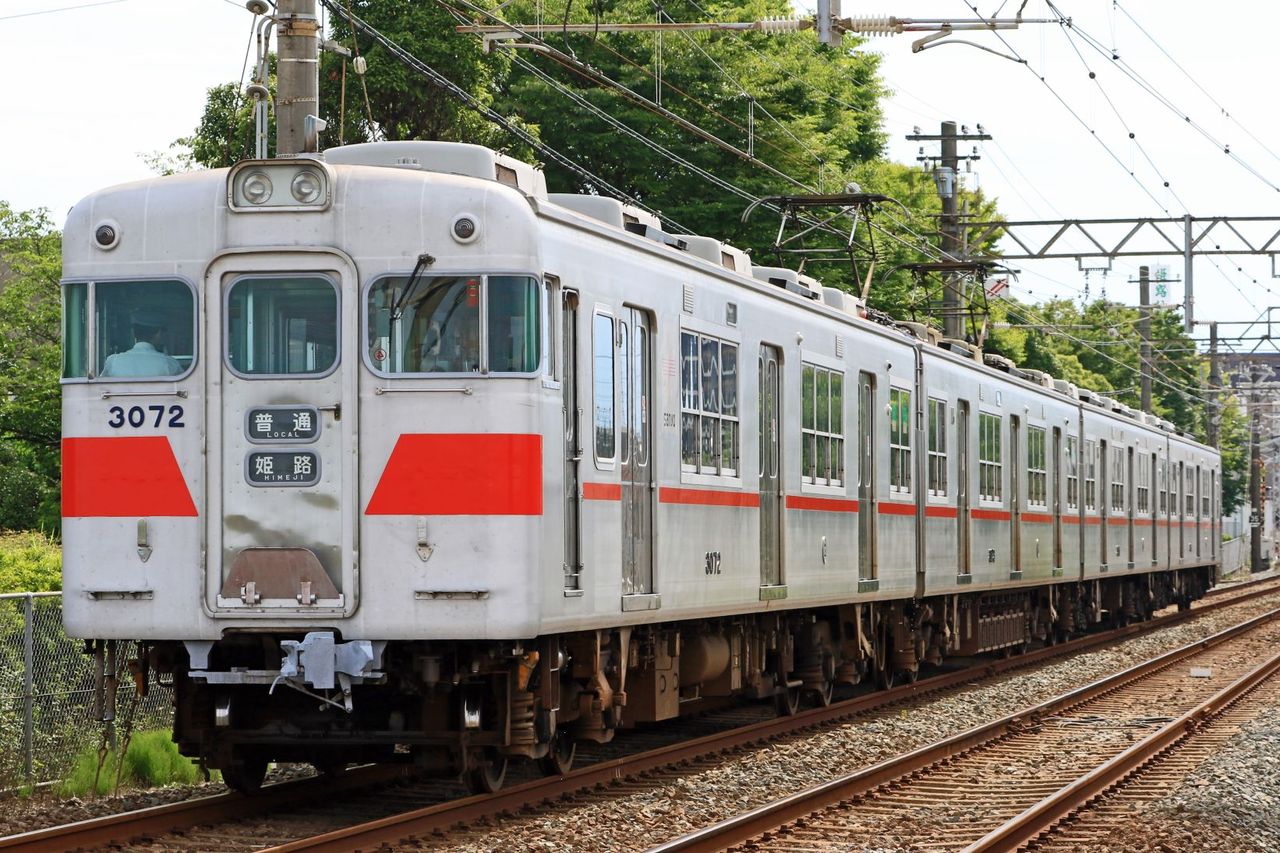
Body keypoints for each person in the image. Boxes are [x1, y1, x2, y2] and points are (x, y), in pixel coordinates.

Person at [100, 310, 183, 377]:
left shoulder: (113, 361)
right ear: (158, 334)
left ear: (133, 333)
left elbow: (101, 389)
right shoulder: (170, 364)